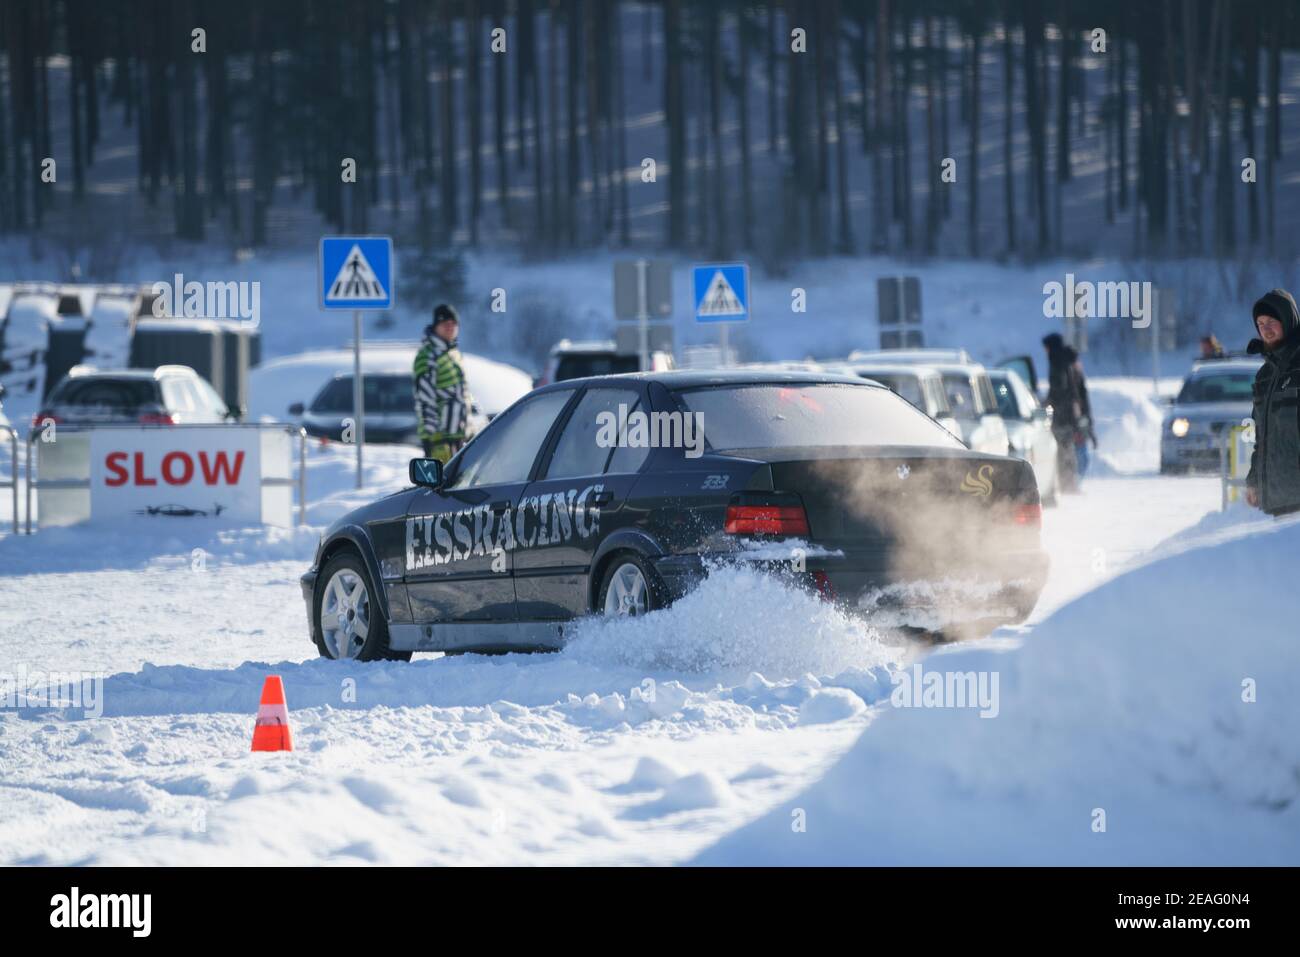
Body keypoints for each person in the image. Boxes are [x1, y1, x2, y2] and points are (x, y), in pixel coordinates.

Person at [1245, 289, 1300, 516]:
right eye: (1260, 323)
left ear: (1287, 321)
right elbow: (1261, 438)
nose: (1265, 329)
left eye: (1271, 321)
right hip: (1276, 500)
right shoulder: (1264, 376)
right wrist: (1254, 480)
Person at [413, 303, 471, 464]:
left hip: (457, 433)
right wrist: (435, 436)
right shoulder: (428, 355)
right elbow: (424, 396)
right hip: (439, 437)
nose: (450, 327)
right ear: (436, 326)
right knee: (440, 484)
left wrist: (469, 427)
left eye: (453, 324)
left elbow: (462, 393)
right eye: (445, 324)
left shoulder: (453, 354)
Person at [1042, 333, 1096, 492]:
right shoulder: (1072, 362)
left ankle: (1068, 485)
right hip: (1076, 415)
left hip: (1064, 417)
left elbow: (1059, 390)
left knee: (1063, 451)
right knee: (1074, 450)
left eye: (1046, 348)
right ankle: (1072, 484)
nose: (1045, 352)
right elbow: (1081, 391)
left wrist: (1048, 403)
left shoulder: (1057, 362)